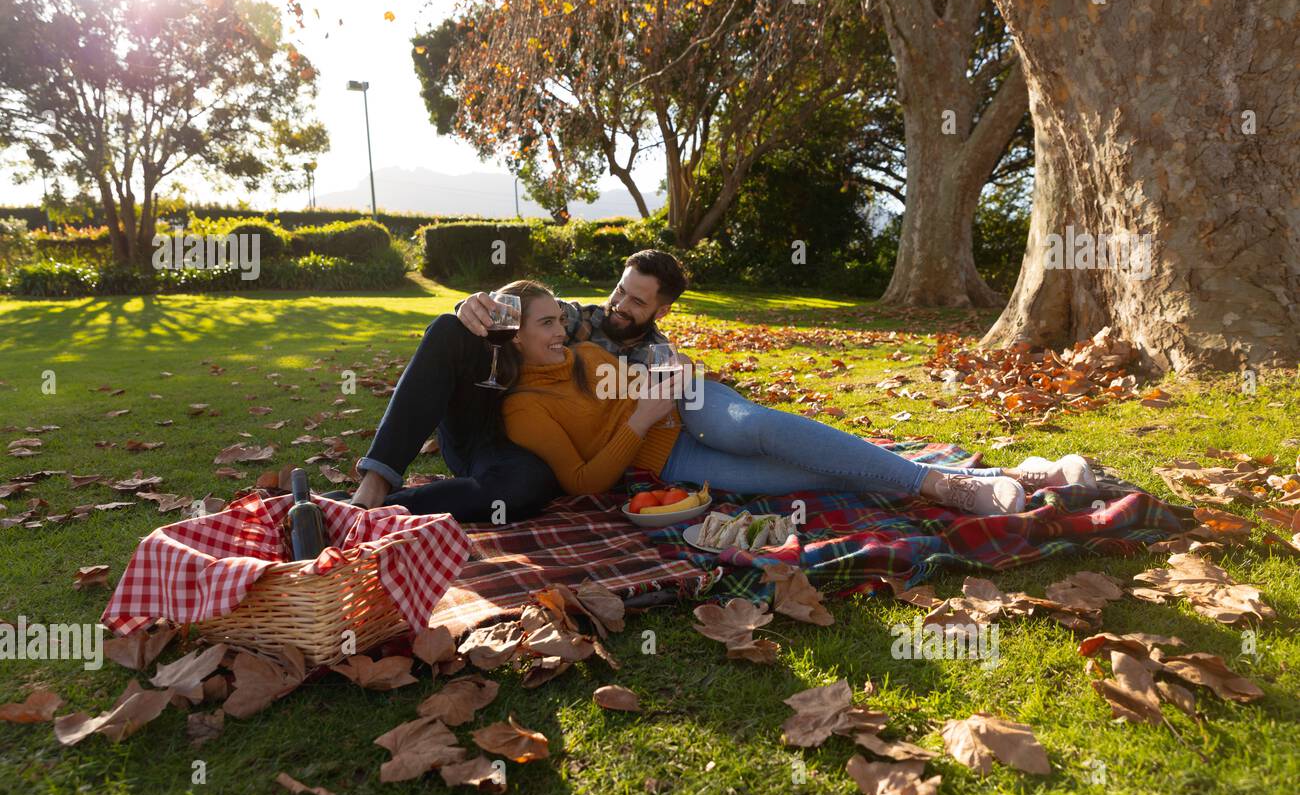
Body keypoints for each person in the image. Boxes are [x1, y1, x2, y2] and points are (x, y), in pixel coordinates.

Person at [494, 279, 1099, 516]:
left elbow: (625, 376)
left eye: (558, 319)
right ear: (514, 336)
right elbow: (582, 482)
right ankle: (1021, 476)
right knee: (806, 474)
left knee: (757, 427)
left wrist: (665, 382)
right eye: (547, 323)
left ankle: (946, 487)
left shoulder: (575, 353)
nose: (564, 328)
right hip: (666, 458)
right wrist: (640, 420)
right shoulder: (523, 408)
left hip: (691, 404)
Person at [323, 250, 690, 522]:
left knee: (526, 489)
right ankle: (375, 483)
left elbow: (643, 420)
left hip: (531, 443)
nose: (619, 305)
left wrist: (684, 378)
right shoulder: (580, 316)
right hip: (481, 412)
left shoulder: (654, 358)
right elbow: (514, 304)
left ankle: (377, 512)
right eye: (620, 290)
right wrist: (473, 305)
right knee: (449, 328)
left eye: (637, 301)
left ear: (661, 311)